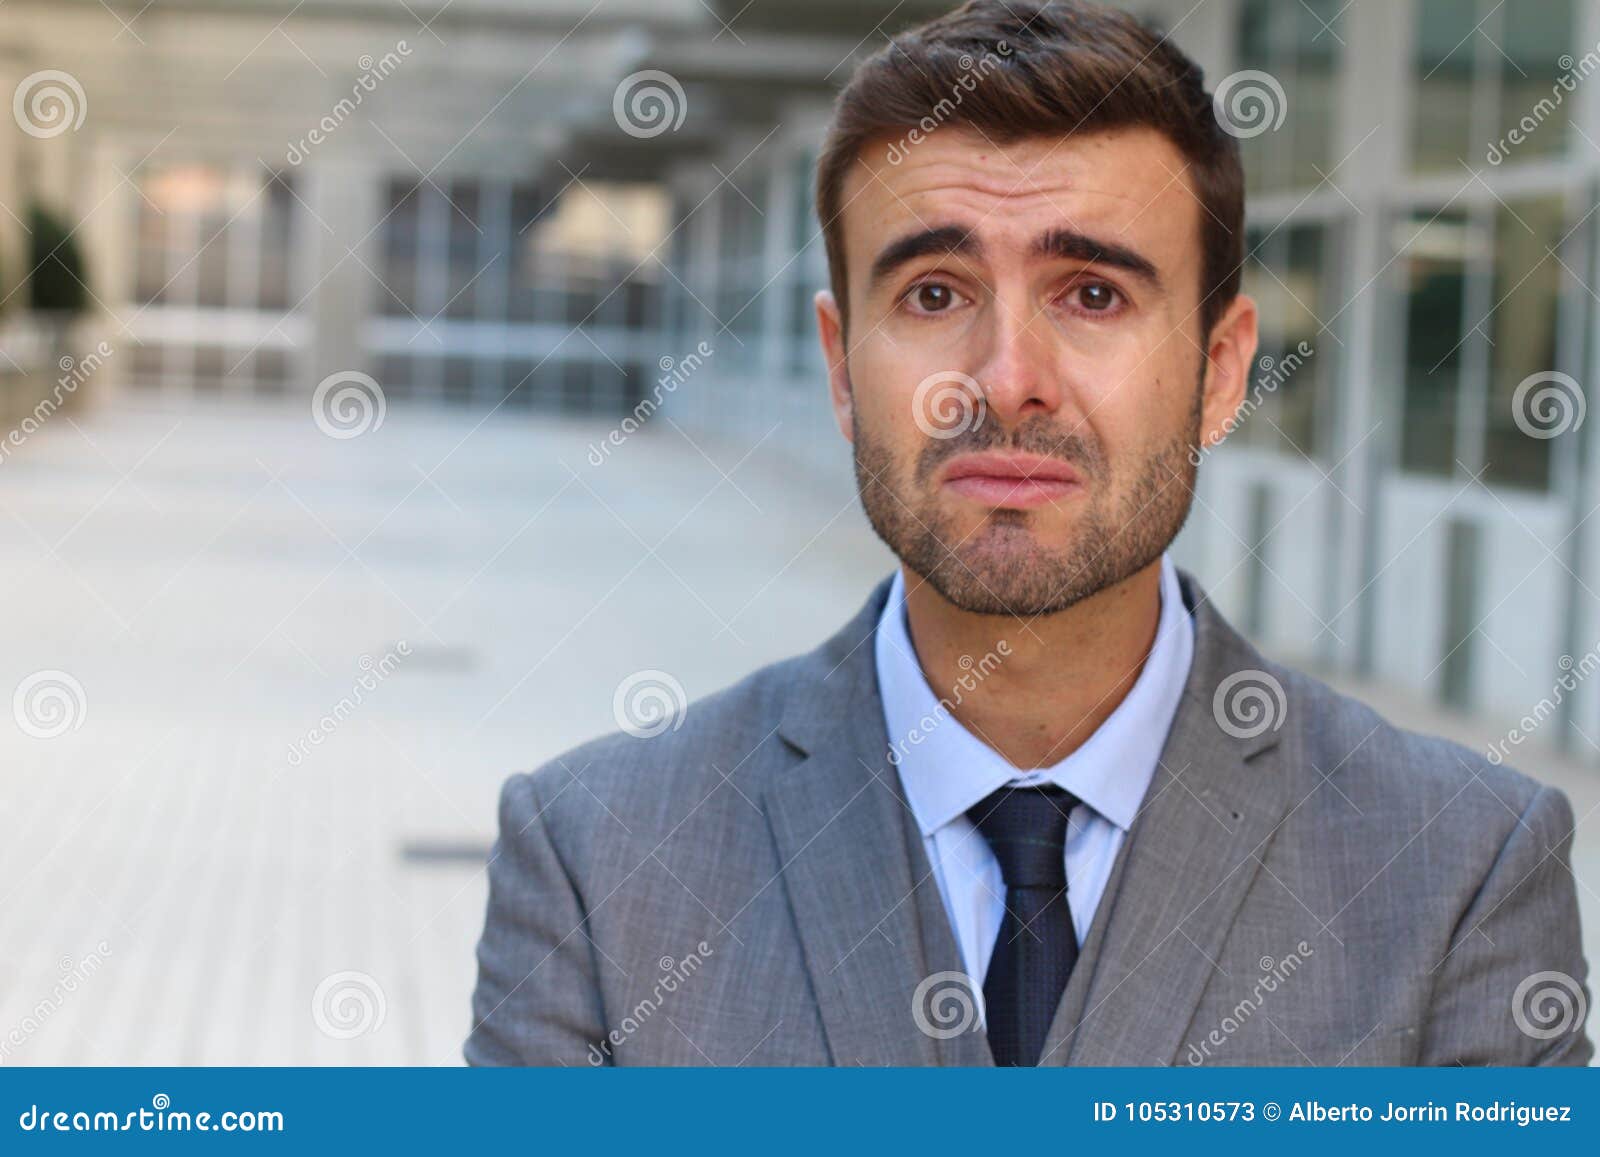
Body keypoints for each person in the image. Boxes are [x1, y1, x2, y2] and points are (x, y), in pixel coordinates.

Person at [466, 0, 1592, 1066]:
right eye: (934, 294)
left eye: (1092, 294)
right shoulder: (599, 861)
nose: (1004, 382)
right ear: (840, 365)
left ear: (1220, 369)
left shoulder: (1458, 873)